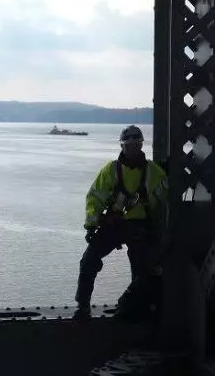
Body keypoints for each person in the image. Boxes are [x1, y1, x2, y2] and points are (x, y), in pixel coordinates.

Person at [73, 125, 168, 319]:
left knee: (145, 271)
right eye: (128, 146)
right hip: (114, 224)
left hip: (139, 226)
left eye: (135, 145)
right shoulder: (111, 170)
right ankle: (83, 305)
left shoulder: (155, 172)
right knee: (88, 261)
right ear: (123, 146)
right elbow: (95, 198)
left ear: (140, 146)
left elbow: (165, 199)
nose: (131, 149)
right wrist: (91, 225)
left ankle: (132, 306)